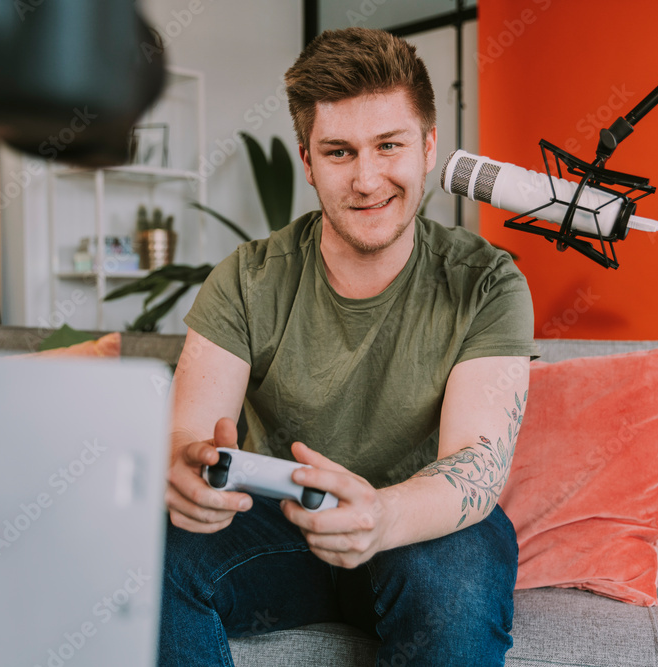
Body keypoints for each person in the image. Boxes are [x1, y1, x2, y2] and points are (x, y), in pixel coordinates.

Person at [159, 27, 538, 667]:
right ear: (307, 161)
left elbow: (479, 464)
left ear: (427, 148)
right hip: (277, 535)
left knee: (462, 568)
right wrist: (187, 477)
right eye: (339, 152)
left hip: (420, 530)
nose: (366, 180)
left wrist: (381, 518)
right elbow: (186, 441)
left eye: (388, 145)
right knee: (147, 554)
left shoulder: (488, 282)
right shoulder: (247, 278)